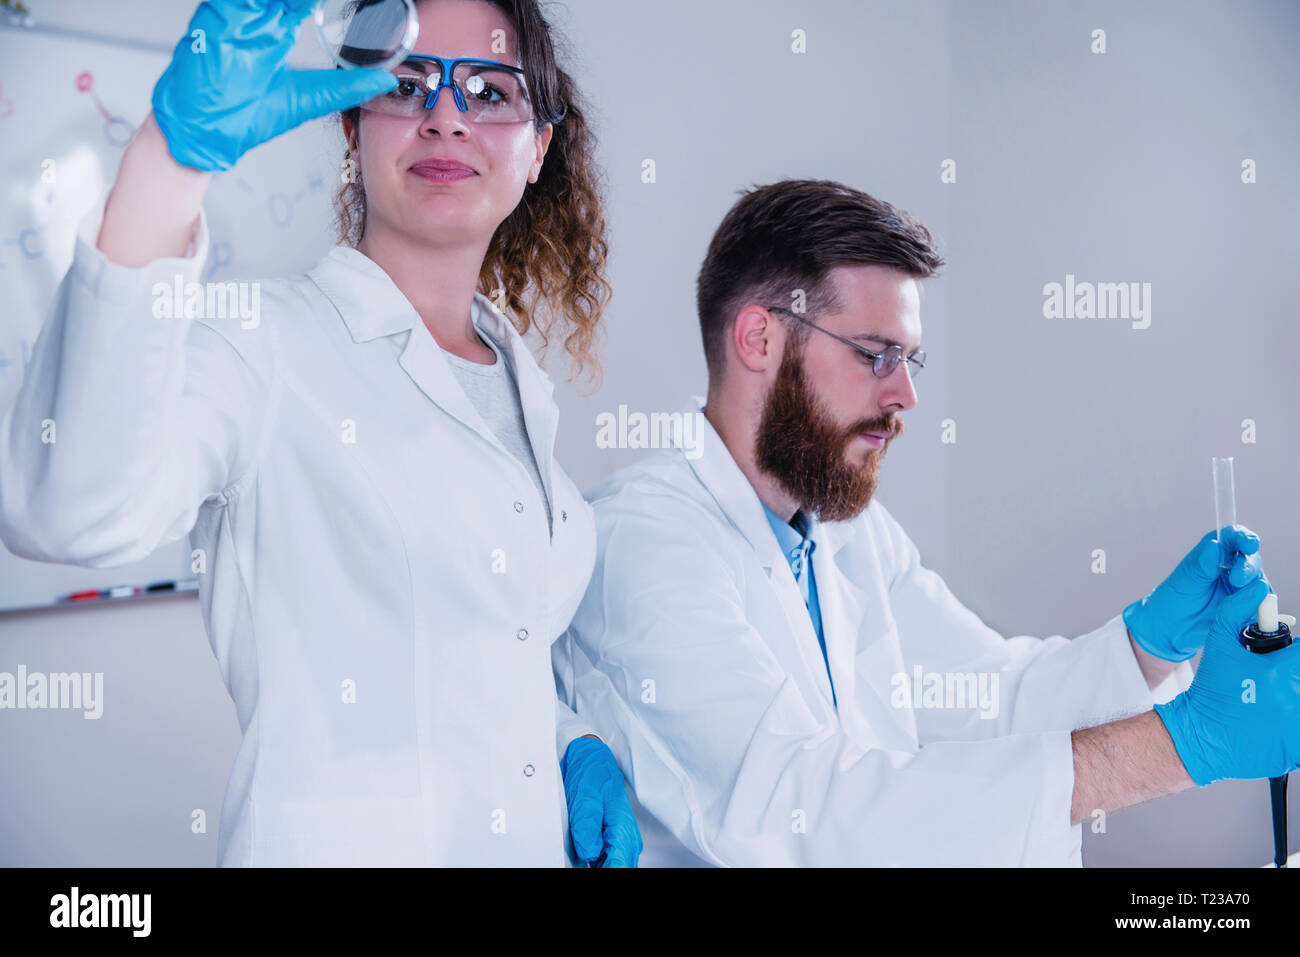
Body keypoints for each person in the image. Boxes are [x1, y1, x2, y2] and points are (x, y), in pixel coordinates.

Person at [0, 0, 641, 867]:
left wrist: (569, 739)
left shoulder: (517, 383)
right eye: (407, 85)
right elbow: (69, 510)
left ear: (538, 149)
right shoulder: (262, 346)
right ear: (352, 129)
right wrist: (170, 158)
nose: (446, 114)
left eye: (491, 92)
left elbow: (471, 655)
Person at [555, 178, 1297, 866]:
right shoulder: (643, 543)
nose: (906, 394)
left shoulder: (846, 533)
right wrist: (1184, 746)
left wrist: (1149, 645)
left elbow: (988, 701)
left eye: (911, 360)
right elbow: (804, 805)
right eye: (878, 355)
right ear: (760, 340)